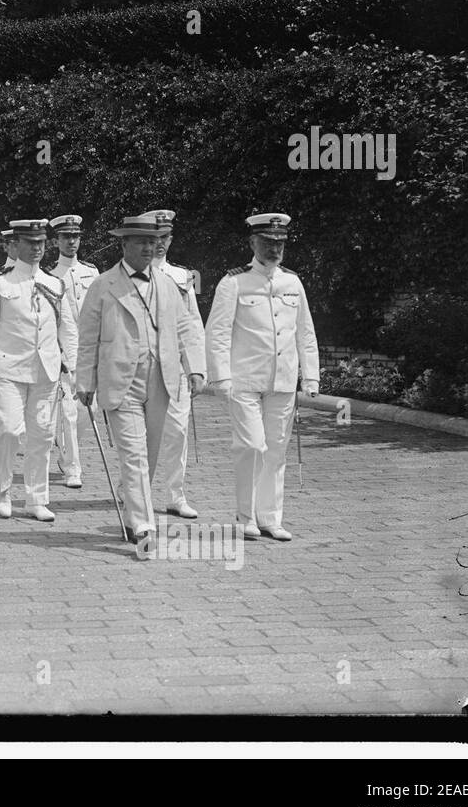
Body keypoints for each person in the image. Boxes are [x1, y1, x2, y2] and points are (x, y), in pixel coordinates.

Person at [76, 214, 204, 554]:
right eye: (142, 242)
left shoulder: (167, 284)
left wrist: (195, 369)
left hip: (161, 379)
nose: (150, 247)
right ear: (124, 245)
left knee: (149, 453)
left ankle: (135, 514)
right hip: (121, 380)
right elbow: (87, 339)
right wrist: (85, 379)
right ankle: (145, 526)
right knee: (133, 454)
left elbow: (186, 328)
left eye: (153, 241)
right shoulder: (103, 285)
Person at [205, 212, 319, 542]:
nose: (274, 250)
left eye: (279, 243)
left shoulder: (292, 282)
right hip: (244, 380)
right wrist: (220, 377)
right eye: (268, 243)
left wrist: (310, 375)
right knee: (251, 446)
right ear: (253, 243)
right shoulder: (234, 282)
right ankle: (245, 516)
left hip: (282, 380)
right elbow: (218, 332)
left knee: (277, 449)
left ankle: (270, 517)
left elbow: (305, 332)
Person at [0, 219, 77, 520]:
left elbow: (67, 329)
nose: (37, 249)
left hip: (46, 371)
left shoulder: (55, 284)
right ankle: (3, 492)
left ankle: (36, 499)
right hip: (7, 371)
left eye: (41, 243)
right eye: (30, 243)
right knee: (7, 431)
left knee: (42, 435)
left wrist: (75, 366)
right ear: (16, 245)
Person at [140, 209, 206, 519]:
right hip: (143, 365)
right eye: (155, 237)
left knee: (177, 431)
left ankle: (175, 495)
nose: (161, 243)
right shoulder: (133, 274)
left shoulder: (182, 277)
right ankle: (138, 493)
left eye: (166, 237)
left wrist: (197, 367)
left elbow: (193, 323)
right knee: (143, 434)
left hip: (176, 366)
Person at [46, 214, 99, 490]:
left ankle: (65, 448)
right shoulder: (51, 277)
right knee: (68, 411)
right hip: (65, 354)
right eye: (66, 237)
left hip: (91, 353)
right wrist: (60, 353)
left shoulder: (92, 272)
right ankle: (71, 468)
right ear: (56, 241)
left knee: (86, 411)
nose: (71, 242)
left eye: (75, 236)